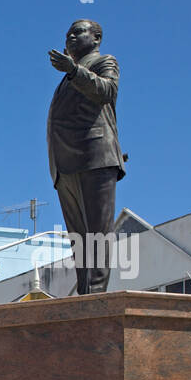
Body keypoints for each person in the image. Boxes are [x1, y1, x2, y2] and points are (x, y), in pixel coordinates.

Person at [47, 19, 126, 295]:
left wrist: (73, 70)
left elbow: (106, 91)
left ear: (96, 38)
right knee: (78, 237)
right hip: (65, 164)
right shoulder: (68, 78)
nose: (70, 36)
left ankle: (95, 296)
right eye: (67, 33)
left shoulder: (104, 62)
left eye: (78, 31)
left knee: (97, 233)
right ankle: (84, 295)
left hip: (96, 156)